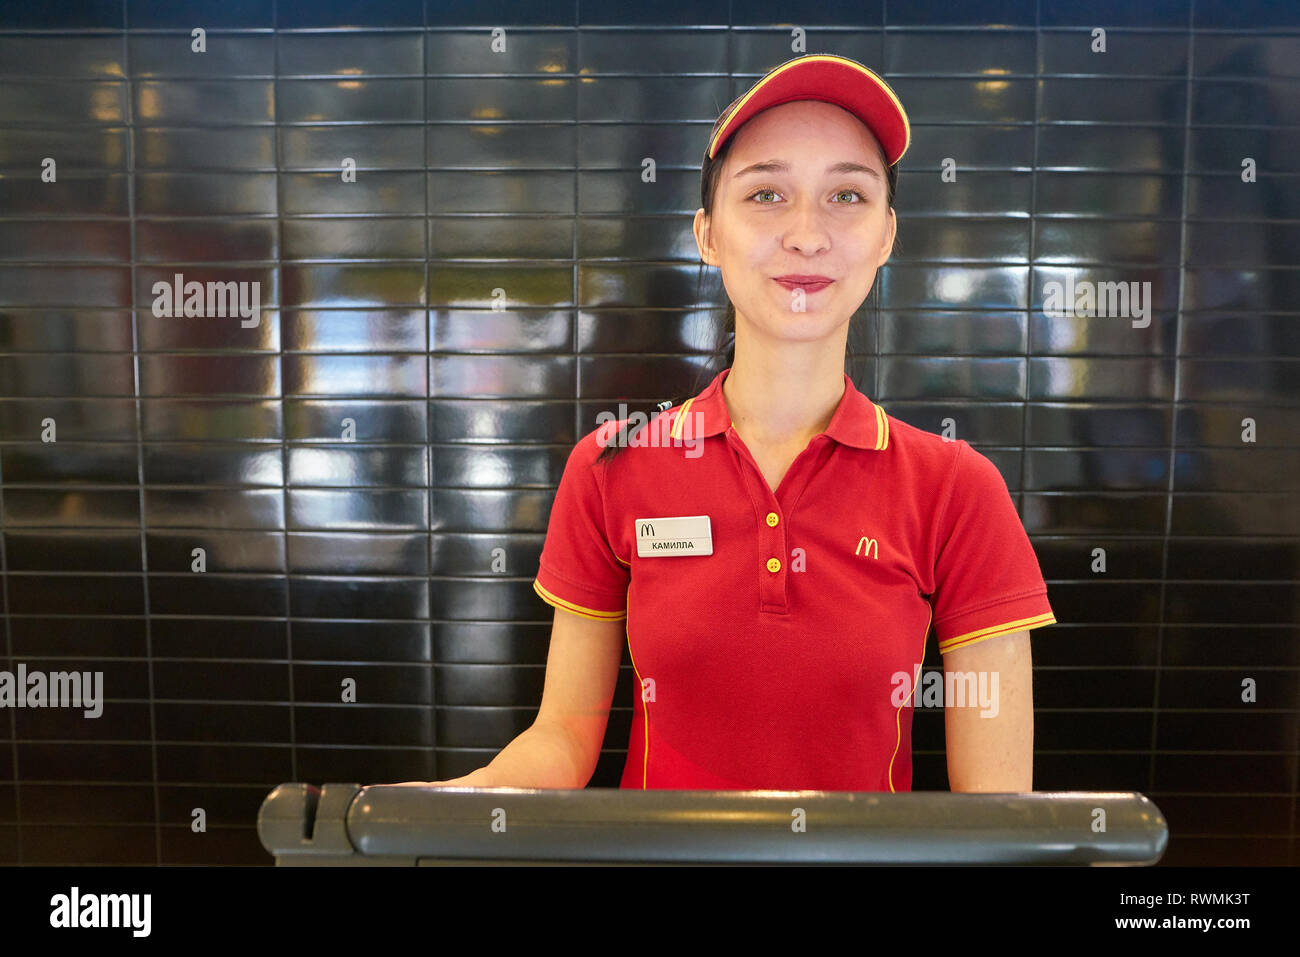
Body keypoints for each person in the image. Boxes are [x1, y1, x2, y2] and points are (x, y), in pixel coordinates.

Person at [399, 53, 1056, 793]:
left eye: (846, 194)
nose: (807, 234)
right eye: (767, 193)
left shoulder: (956, 489)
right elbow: (562, 738)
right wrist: (439, 806)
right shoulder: (611, 467)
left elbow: (1000, 810)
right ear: (708, 234)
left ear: (886, 236)